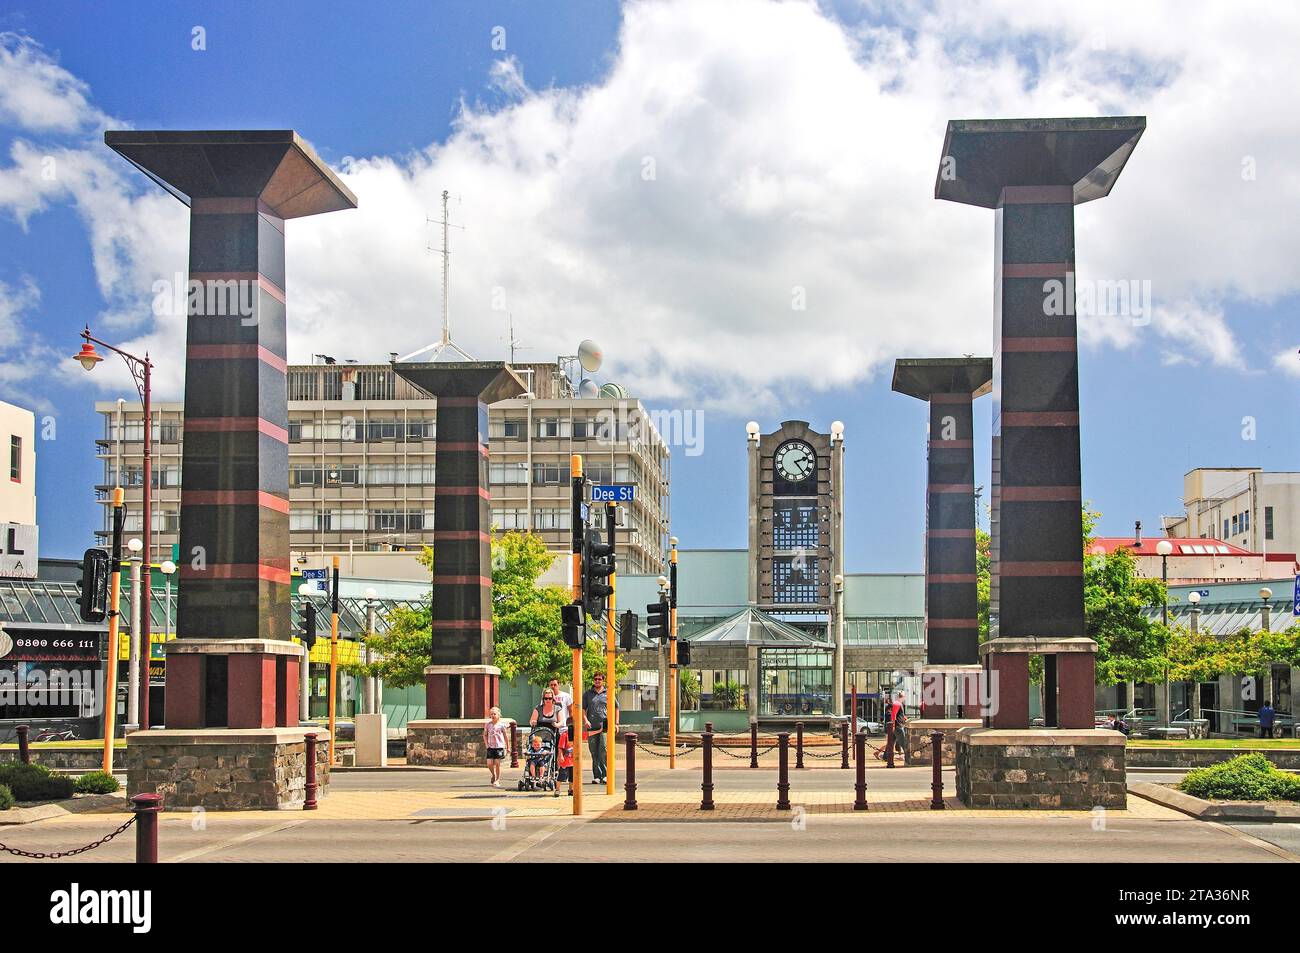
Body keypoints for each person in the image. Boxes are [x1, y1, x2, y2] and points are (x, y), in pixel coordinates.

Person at [582, 672, 617, 784]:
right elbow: (583, 709)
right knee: (594, 751)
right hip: (592, 727)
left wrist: (616, 723)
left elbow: (616, 708)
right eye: (595, 679)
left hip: (605, 726)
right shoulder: (588, 694)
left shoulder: (608, 693)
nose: (597, 681)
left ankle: (605, 775)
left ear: (603, 681)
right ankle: (596, 775)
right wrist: (585, 720)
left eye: (599, 679)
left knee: (603, 750)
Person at [483, 706, 511, 787]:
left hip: (499, 746)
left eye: (494, 714)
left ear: (498, 715)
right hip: (490, 746)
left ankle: (497, 780)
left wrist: (508, 747)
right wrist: (486, 744)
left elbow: (505, 736)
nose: (493, 716)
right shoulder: (488, 725)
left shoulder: (501, 725)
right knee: (489, 763)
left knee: (497, 763)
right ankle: (493, 774)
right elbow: (485, 735)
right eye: (491, 714)